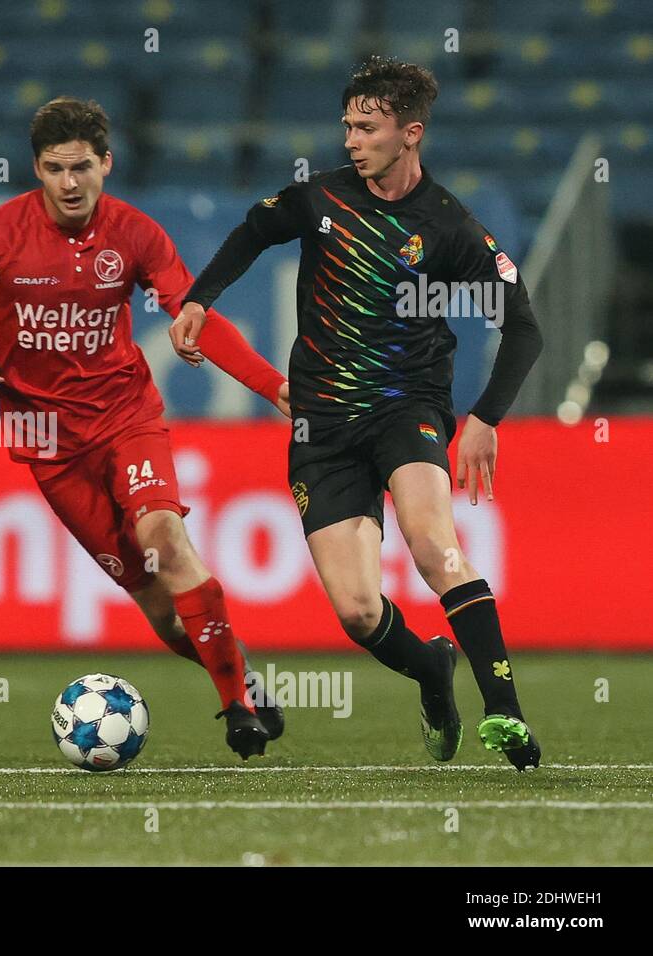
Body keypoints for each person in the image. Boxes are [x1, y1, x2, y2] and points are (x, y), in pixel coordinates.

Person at [173, 56, 544, 769]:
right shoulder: (319, 201)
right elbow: (254, 230)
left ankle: (506, 711)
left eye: (366, 128)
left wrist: (487, 418)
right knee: (357, 611)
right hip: (321, 423)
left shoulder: (450, 227)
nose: (350, 140)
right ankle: (433, 671)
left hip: (409, 407)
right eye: (346, 125)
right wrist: (199, 297)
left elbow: (521, 324)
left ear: (410, 134)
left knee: (435, 546)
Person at [0, 97, 291, 758]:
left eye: (82, 167)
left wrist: (274, 386)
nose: (70, 183)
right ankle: (243, 678)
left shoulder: (136, 234)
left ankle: (235, 709)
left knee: (166, 537)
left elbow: (193, 314)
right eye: (55, 169)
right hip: (50, 447)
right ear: (37, 169)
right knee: (162, 611)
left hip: (127, 419)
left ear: (106, 163)